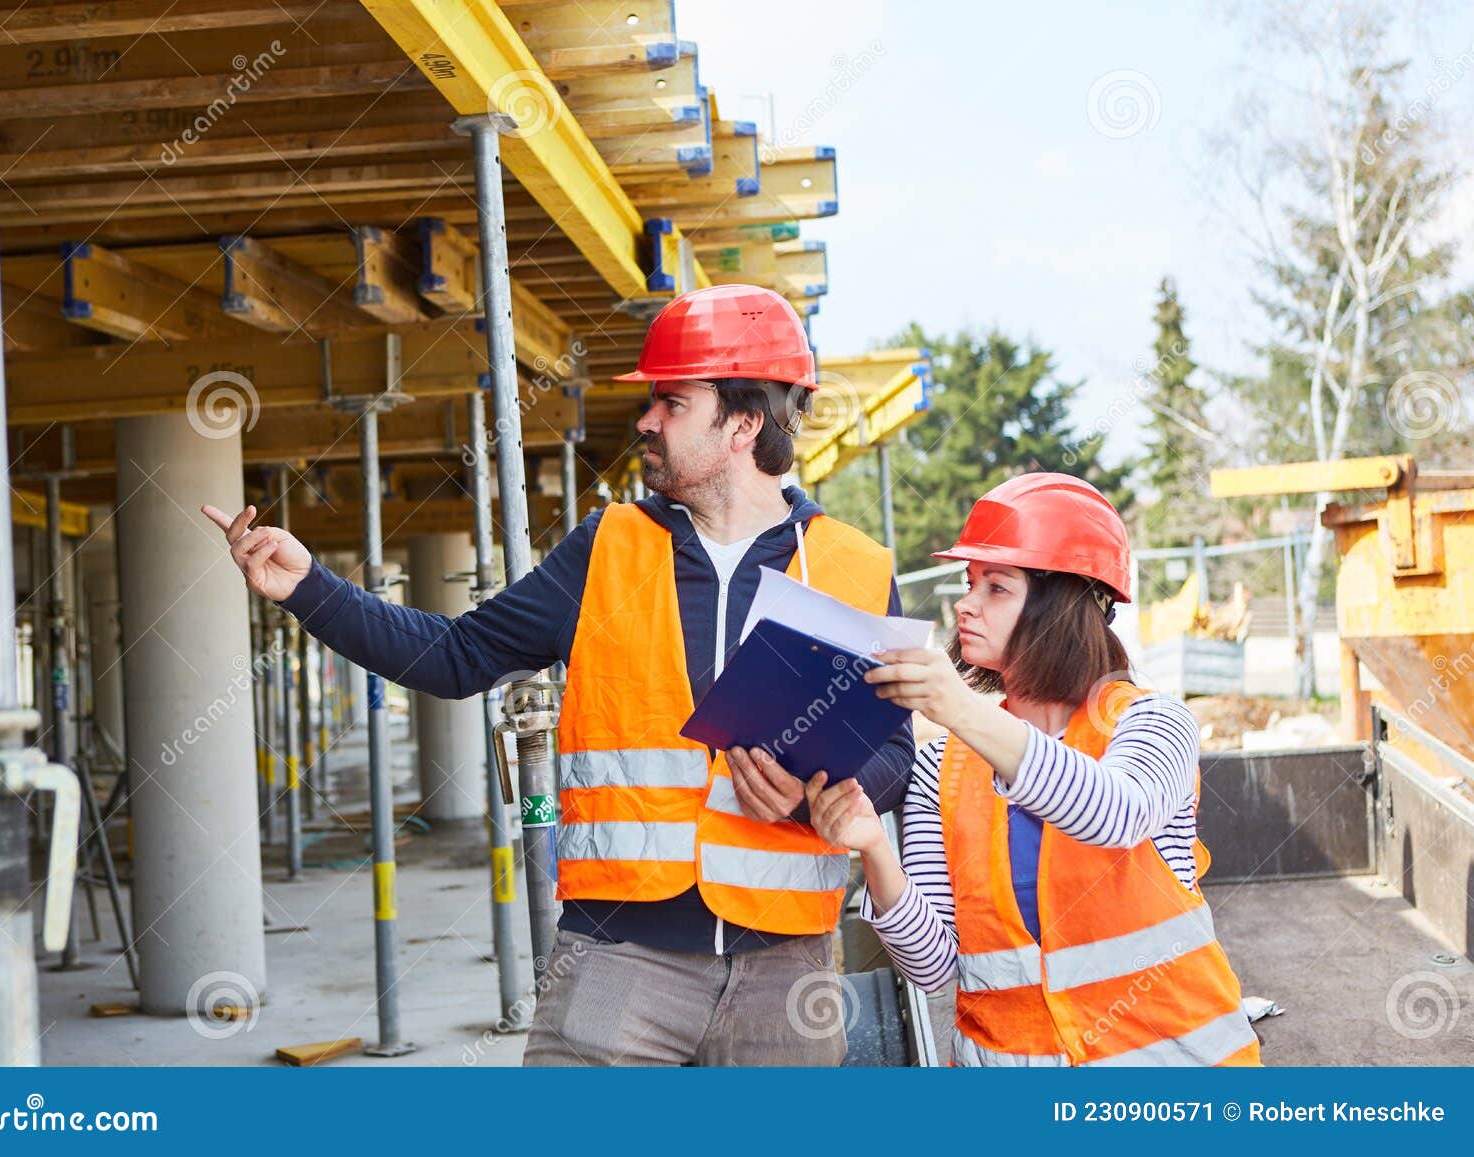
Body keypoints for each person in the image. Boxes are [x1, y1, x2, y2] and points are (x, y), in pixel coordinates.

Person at [203, 284, 913, 1066]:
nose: (646, 420)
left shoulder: (853, 566)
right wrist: (310, 587)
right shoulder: (607, 546)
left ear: (744, 423)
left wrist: (819, 795)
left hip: (788, 968)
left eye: (671, 403)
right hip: (617, 957)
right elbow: (456, 655)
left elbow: (894, 754)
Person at [805, 472, 1261, 1067]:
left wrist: (961, 709)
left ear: (1062, 608)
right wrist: (874, 850)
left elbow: (1115, 813)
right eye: (970, 583)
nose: (966, 604)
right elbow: (935, 965)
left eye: (997, 587)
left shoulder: (1151, 722)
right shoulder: (942, 764)